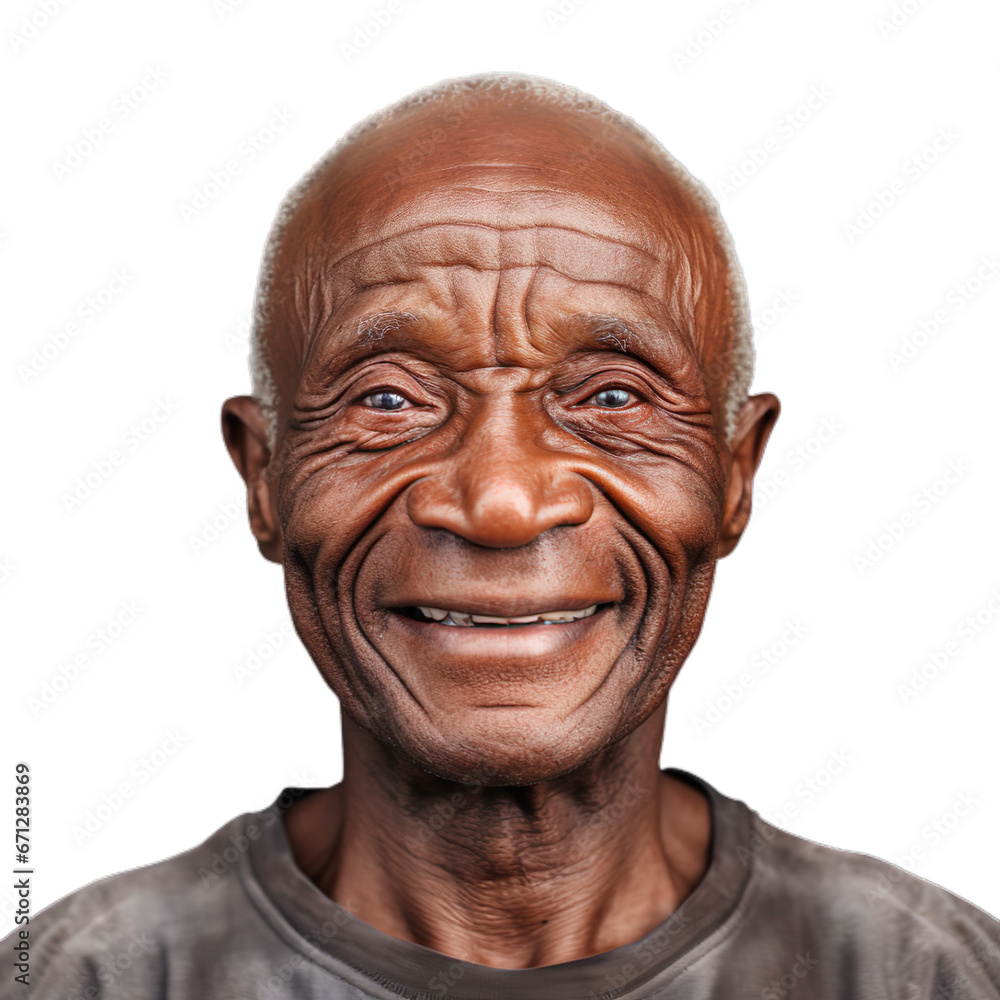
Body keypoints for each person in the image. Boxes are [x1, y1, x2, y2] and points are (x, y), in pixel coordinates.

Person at [6, 72, 999, 1000]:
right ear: (263, 477)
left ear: (733, 474)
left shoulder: (928, 974)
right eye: (388, 398)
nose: (500, 503)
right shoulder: (85, 978)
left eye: (611, 396)